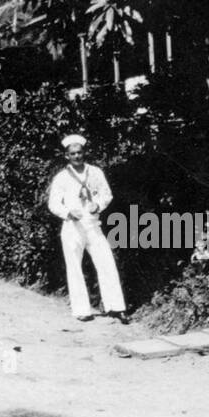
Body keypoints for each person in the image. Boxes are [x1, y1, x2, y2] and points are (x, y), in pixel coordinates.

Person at [48, 134, 129, 324]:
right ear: (67, 156)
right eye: (72, 153)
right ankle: (82, 310)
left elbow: (106, 194)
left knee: (106, 262)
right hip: (72, 227)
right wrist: (68, 213)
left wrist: (98, 205)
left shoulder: (95, 172)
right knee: (74, 267)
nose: (77, 156)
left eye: (79, 152)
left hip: (93, 225)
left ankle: (116, 307)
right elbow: (53, 203)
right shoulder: (61, 178)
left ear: (84, 153)